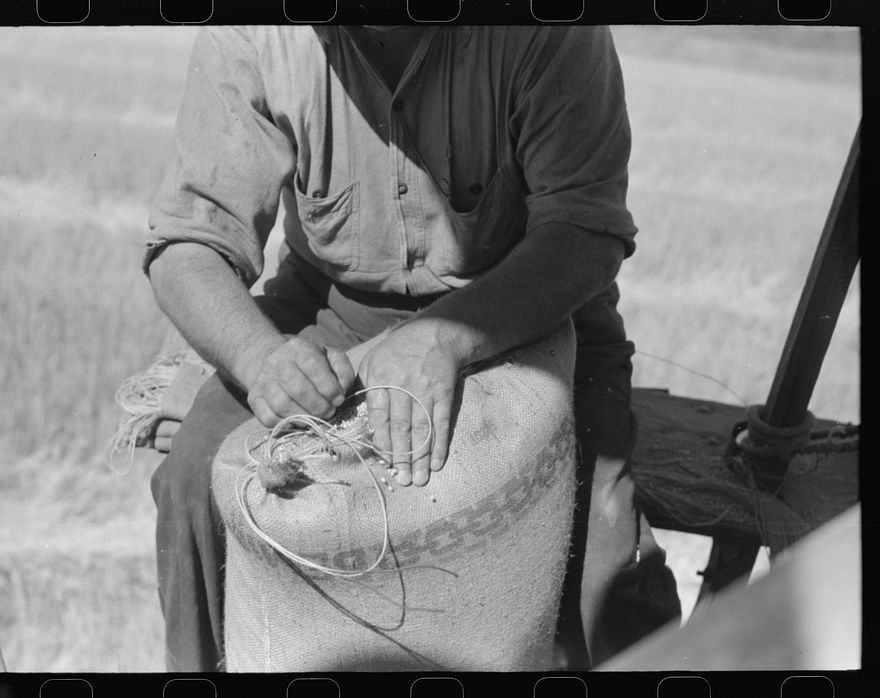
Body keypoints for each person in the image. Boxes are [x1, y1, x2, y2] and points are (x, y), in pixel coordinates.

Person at [144, 24, 680, 672]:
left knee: (604, 542)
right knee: (190, 482)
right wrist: (261, 359)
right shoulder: (254, 36)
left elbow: (584, 232)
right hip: (328, 299)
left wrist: (445, 336)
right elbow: (188, 243)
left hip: (528, 303)